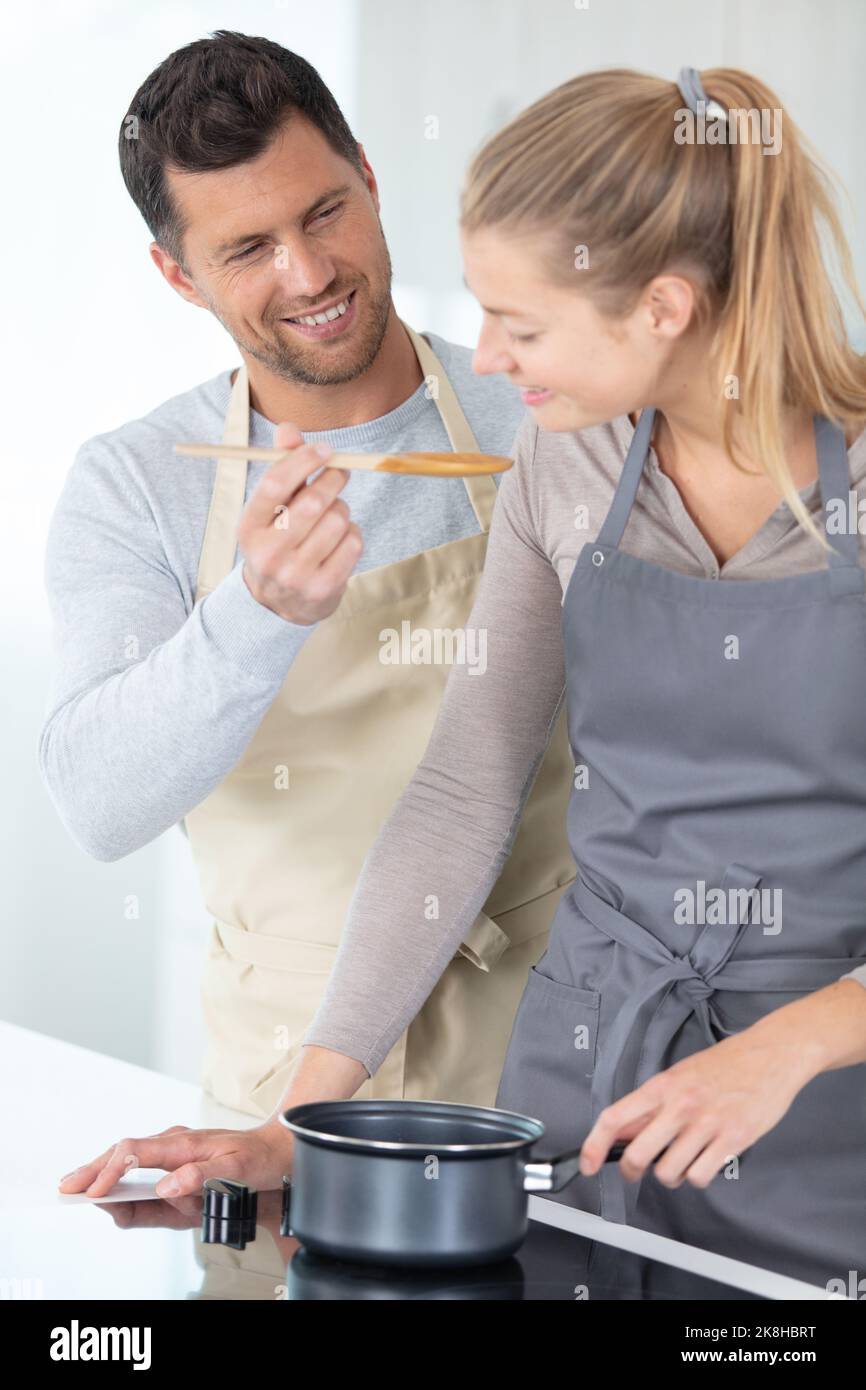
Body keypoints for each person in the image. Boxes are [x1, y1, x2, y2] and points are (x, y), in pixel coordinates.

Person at [61, 63, 866, 1288]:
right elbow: (460, 788)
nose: (485, 357)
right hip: (577, 1094)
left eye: (522, 325)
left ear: (659, 307)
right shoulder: (562, 459)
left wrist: (795, 1041)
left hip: (818, 1114)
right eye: (247, 247)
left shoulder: (564, 433)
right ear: (179, 272)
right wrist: (301, 1117)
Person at [42, 31, 576, 1130]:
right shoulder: (139, 482)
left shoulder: (539, 411)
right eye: (247, 248)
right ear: (177, 275)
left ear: (371, 179)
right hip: (283, 1093)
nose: (309, 274)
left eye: (323, 213)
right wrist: (254, 615)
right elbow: (98, 802)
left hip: (555, 1055)